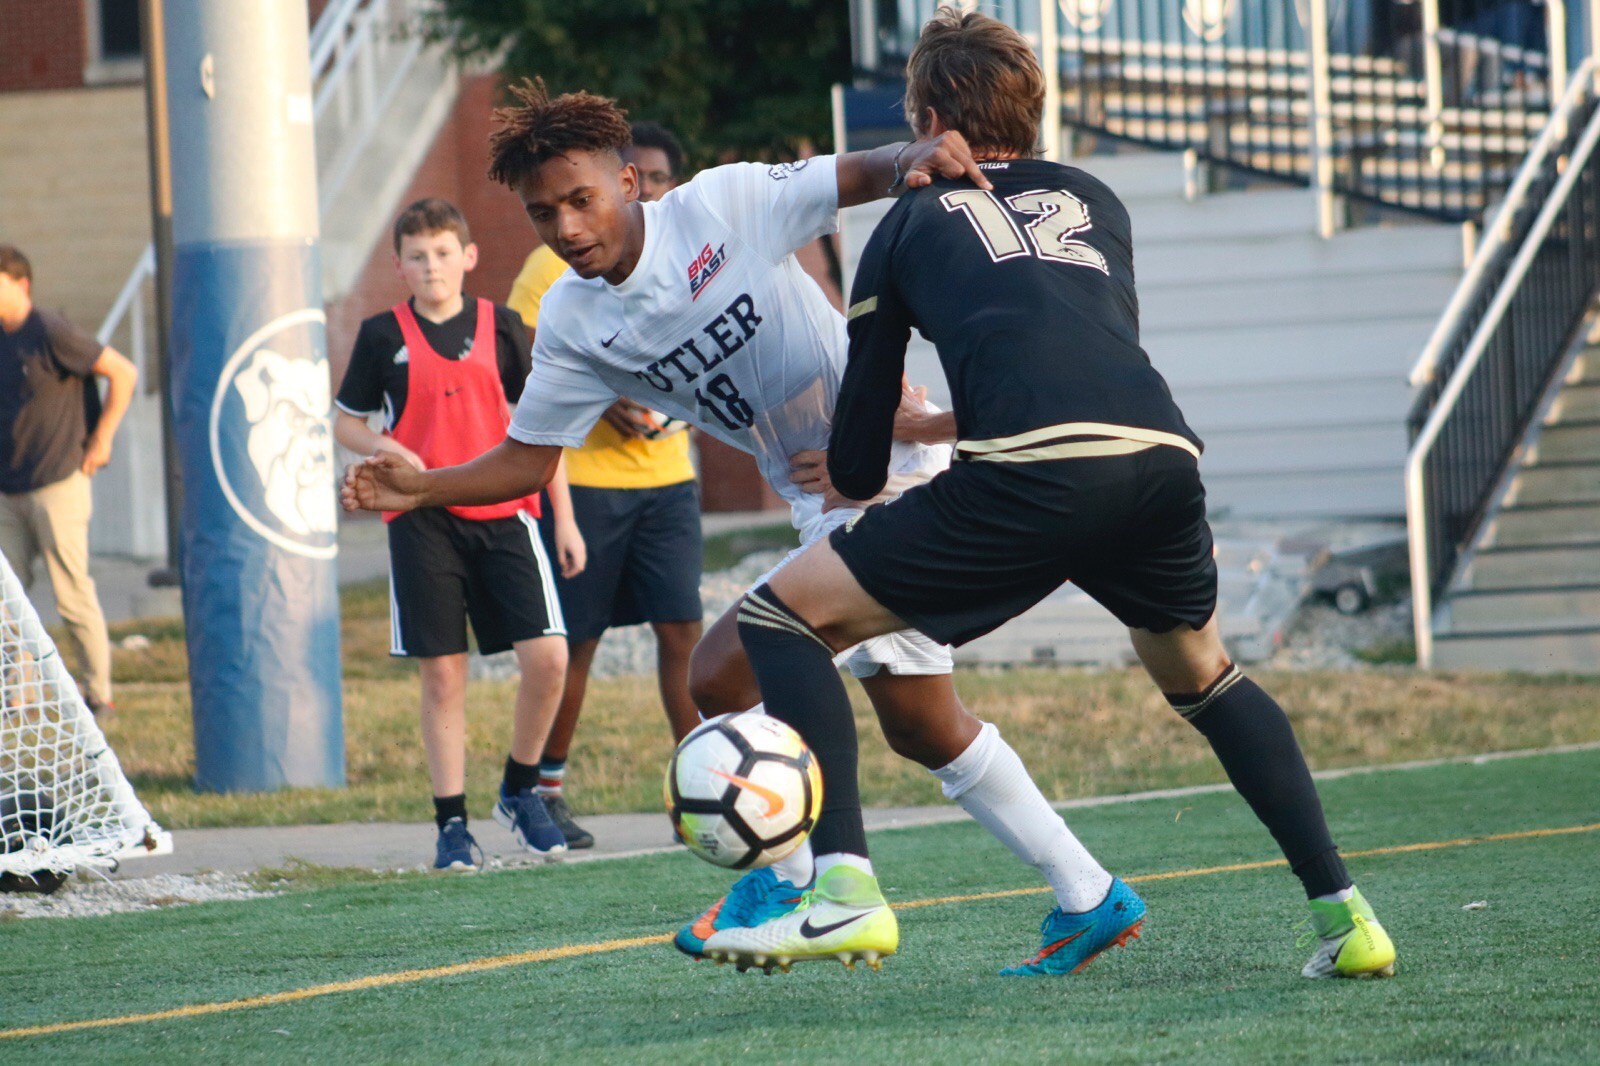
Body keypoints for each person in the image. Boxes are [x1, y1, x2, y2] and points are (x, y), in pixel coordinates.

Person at [342, 81, 1125, 971]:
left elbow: (860, 172)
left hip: (888, 474)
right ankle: (1088, 893)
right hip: (821, 497)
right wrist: (423, 487)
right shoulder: (571, 318)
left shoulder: (720, 204)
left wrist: (913, 155)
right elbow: (528, 460)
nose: (566, 227)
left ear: (630, 182)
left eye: (581, 199)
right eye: (543, 213)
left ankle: (809, 884)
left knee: (723, 669)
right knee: (919, 724)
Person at [701, 9, 1399, 980]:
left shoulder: (903, 223)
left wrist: (873, 445)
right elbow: (1071, 356)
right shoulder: (1094, 196)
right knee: (1205, 677)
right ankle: (1348, 917)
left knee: (779, 619)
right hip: (1159, 457)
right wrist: (945, 428)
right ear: (1030, 115)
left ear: (929, 121)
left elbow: (856, 471)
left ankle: (842, 889)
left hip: (1031, 476)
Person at [332, 199, 586, 872]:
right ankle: (451, 825)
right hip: (421, 520)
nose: (431, 266)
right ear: (399, 266)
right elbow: (346, 420)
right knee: (444, 675)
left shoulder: (503, 327)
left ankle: (521, 790)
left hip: (506, 510)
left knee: (549, 659)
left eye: (443, 253)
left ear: (468, 257)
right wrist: (389, 447)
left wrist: (563, 517)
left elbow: (541, 429)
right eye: (417, 256)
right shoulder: (382, 334)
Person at [505, 121, 704, 852]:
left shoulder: (686, 251)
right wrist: (604, 396)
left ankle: (703, 790)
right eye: (637, 174)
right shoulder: (549, 268)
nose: (646, 188)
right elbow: (525, 367)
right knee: (578, 642)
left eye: (658, 178)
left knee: (683, 631)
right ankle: (545, 789)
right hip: (585, 483)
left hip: (669, 479)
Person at [0, 244, 138, 718]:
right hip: (8, 490)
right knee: (8, 599)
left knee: (72, 594)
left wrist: (102, 439)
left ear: (21, 284)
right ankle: (18, 694)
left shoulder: (50, 330)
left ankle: (99, 692)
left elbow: (123, 373)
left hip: (57, 481)